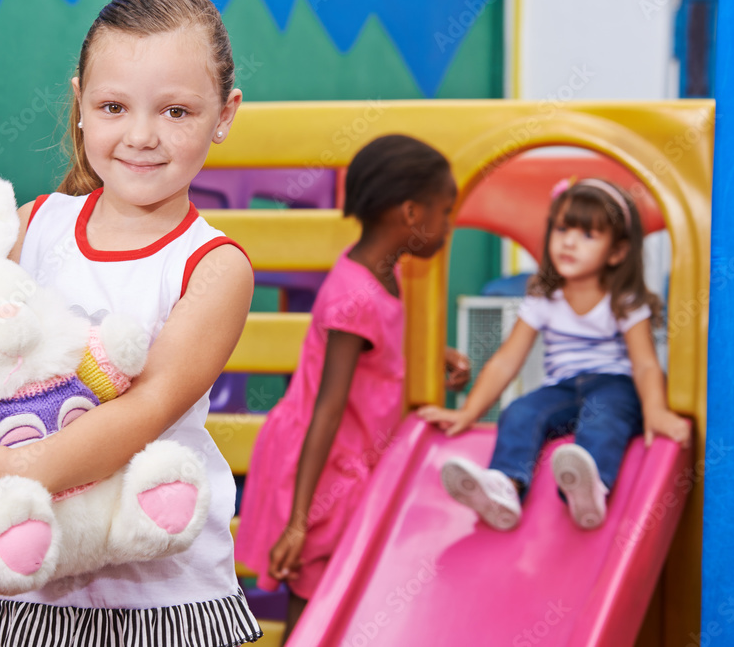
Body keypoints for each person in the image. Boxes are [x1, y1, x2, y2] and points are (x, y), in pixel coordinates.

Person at [0, 0, 263, 645]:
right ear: (81, 104)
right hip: (27, 573)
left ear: (225, 113)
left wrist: (21, 468)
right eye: (113, 106)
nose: (140, 134)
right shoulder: (30, 226)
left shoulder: (214, 267)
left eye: (177, 110)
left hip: (159, 593)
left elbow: (147, 406)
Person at [235, 134, 467, 644]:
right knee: (315, 599)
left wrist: (435, 357)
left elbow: (378, 354)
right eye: (445, 211)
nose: (449, 225)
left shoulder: (383, 272)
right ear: (411, 213)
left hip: (355, 462)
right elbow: (329, 408)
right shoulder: (355, 297)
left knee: (349, 593)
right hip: (324, 471)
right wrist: (299, 521)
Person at [420, 178, 691, 533]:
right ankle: (505, 485)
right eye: (562, 228)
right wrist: (469, 411)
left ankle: (592, 486)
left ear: (617, 252)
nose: (569, 242)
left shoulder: (623, 300)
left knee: (604, 416)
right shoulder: (544, 296)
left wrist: (655, 411)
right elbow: (507, 359)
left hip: (615, 387)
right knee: (521, 411)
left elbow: (644, 364)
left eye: (588, 235)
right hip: (562, 389)